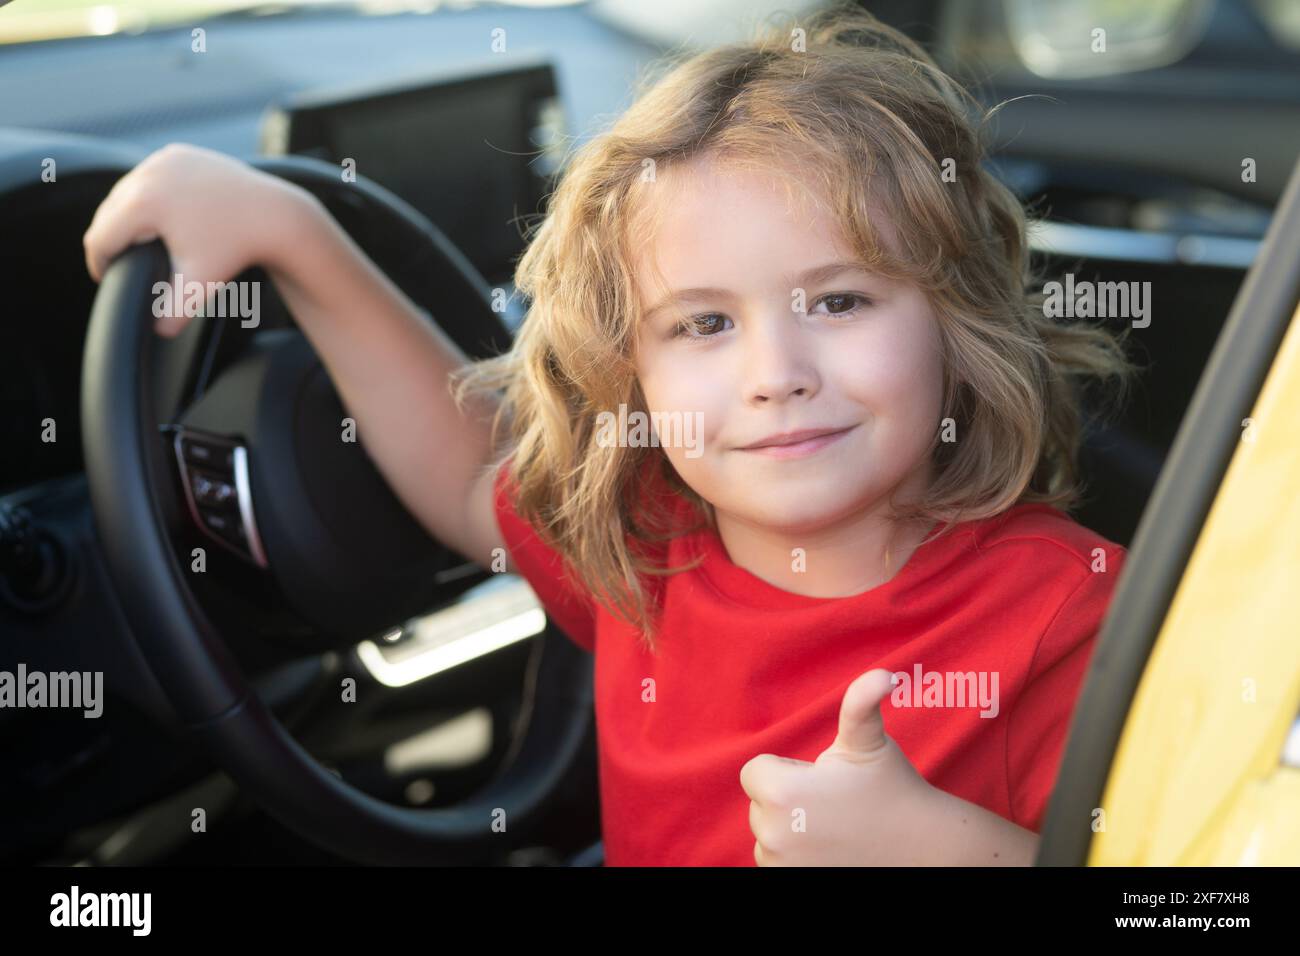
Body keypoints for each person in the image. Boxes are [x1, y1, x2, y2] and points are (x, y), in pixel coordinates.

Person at [84, 3, 1140, 866]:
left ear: (957, 323)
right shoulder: (648, 547)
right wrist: (293, 232)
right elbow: (467, 478)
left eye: (840, 301)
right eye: (704, 323)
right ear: (627, 372)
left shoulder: (1081, 615)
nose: (776, 375)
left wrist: (960, 856)